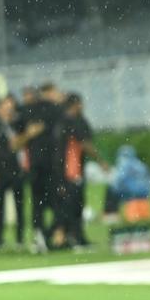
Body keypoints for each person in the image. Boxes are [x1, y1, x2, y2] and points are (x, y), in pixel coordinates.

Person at [51, 93, 107, 250]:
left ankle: (68, 237)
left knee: (68, 206)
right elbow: (84, 144)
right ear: (75, 105)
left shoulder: (60, 122)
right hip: (72, 170)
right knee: (74, 206)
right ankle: (73, 237)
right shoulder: (74, 122)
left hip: (61, 170)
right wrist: (101, 161)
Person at [0, 96, 32, 249]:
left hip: (16, 169)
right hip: (0, 170)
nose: (8, 109)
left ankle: (19, 239)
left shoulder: (18, 124)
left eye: (10, 106)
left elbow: (22, 144)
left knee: (19, 205)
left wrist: (20, 138)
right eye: (5, 106)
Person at [19, 83, 59, 252]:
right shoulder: (51, 109)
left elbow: (25, 135)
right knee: (47, 202)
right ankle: (45, 235)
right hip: (44, 165)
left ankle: (44, 235)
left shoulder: (27, 112)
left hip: (41, 164)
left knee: (41, 203)